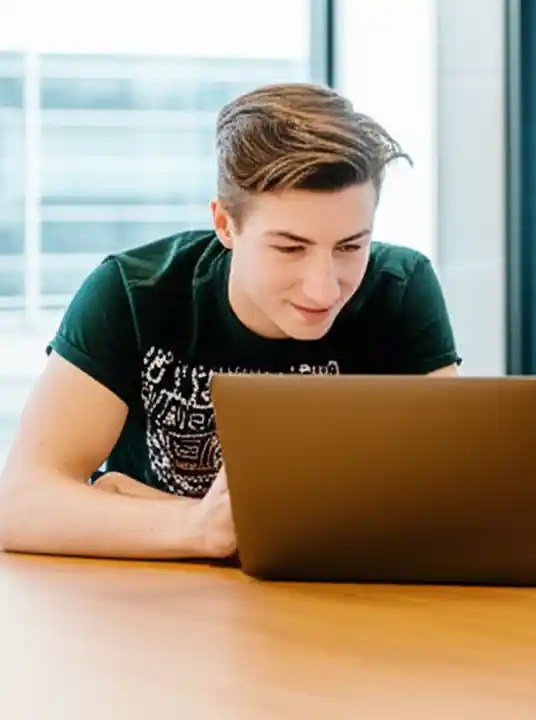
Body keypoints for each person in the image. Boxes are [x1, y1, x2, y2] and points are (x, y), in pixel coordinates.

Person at [0, 83, 460, 560]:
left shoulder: (400, 286)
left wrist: (143, 510)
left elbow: (454, 504)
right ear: (224, 225)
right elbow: (20, 505)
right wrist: (198, 527)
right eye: (289, 248)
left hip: (341, 606)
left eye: (350, 247)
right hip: (157, 607)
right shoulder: (135, 294)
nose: (324, 289)